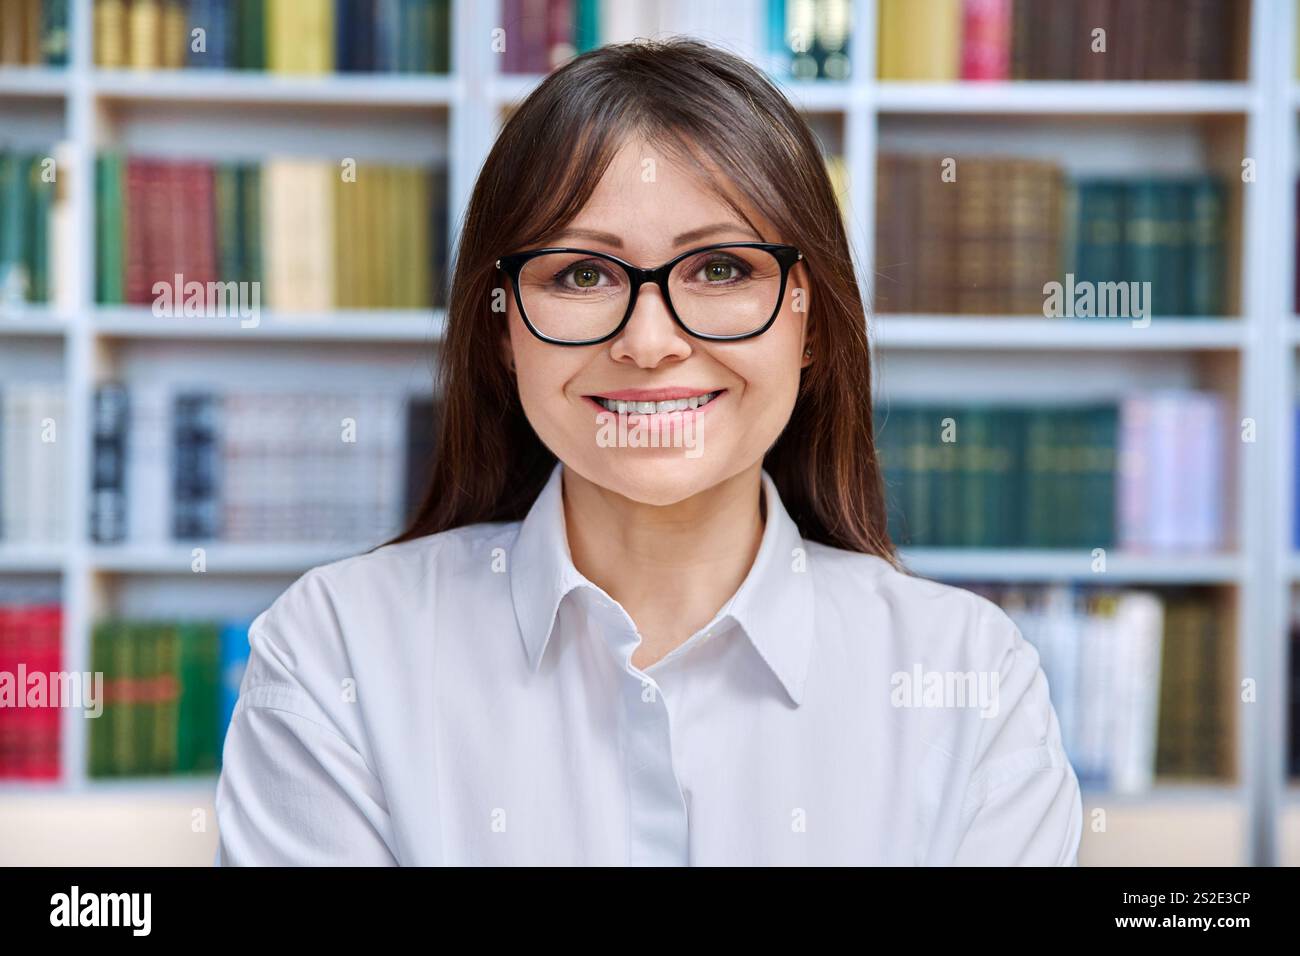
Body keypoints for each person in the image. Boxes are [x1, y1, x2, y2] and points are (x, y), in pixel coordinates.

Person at [214, 38, 1082, 866]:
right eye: (582, 276)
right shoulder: (336, 653)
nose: (651, 340)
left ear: (809, 318)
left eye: (721, 269)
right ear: (505, 326)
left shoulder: (971, 678)